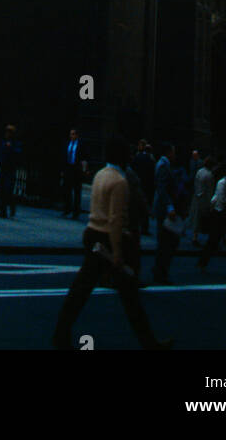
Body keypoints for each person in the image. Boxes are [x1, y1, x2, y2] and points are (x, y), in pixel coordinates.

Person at [52, 135, 173, 351]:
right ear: (123, 157)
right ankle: (149, 343)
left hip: (92, 233)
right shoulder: (120, 181)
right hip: (107, 238)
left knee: (80, 291)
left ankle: (60, 336)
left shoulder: (100, 175)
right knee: (129, 298)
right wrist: (117, 252)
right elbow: (117, 220)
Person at [152, 143, 181, 284]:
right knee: (165, 243)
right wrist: (170, 207)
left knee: (164, 242)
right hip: (164, 209)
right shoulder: (163, 165)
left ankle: (159, 270)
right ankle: (160, 272)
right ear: (169, 152)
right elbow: (162, 189)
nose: (175, 155)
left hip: (162, 208)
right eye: (174, 152)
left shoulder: (163, 164)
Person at [0, 125, 22, 218]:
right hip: (4, 167)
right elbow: (1, 153)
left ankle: (11, 207)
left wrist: (11, 148)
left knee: (8, 189)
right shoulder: (3, 142)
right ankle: (3, 210)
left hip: (11, 168)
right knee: (2, 189)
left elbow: (18, 153)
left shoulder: (15, 143)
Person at [188, 155, 214, 247]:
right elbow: (210, 190)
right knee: (205, 219)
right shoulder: (209, 175)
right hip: (204, 199)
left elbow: (195, 183)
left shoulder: (199, 171)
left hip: (197, 196)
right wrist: (211, 203)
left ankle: (194, 237)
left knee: (195, 217)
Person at [61, 128, 87, 219]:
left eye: (73, 134)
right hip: (68, 168)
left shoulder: (80, 145)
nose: (71, 136)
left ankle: (76, 211)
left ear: (77, 135)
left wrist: (83, 170)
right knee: (67, 189)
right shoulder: (67, 144)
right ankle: (67, 208)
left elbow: (84, 158)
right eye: (71, 134)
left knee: (77, 191)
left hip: (76, 169)